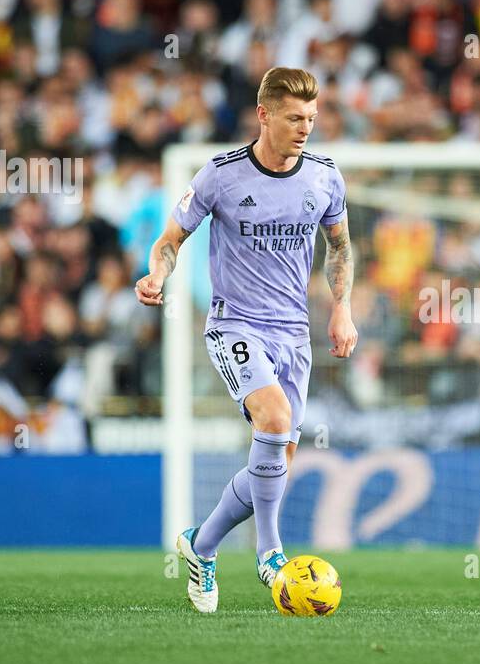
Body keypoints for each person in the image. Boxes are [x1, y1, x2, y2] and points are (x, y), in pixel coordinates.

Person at [136, 67, 358, 613]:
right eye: (294, 118)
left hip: (294, 334)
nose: (305, 128)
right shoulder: (221, 176)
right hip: (235, 325)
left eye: (311, 118)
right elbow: (171, 239)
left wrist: (342, 309)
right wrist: (157, 275)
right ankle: (270, 552)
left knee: (278, 458)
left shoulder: (325, 177)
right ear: (264, 115)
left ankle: (201, 545)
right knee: (275, 421)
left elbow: (340, 247)